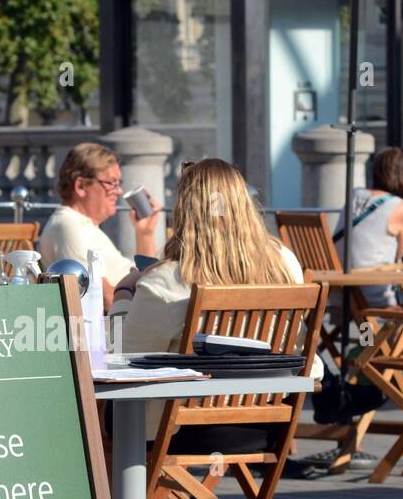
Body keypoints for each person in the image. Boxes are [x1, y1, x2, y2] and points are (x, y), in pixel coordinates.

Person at [118, 158, 325, 448]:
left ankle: (127, 494)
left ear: (184, 210)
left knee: (94, 419)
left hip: (178, 431)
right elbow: (304, 355)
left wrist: (123, 296)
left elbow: (124, 359)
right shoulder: (284, 262)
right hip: (263, 424)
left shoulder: (167, 279)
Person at [39, 142, 162, 310]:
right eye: (111, 183)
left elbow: (147, 277)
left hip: (135, 316)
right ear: (81, 186)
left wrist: (145, 233)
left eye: (118, 183)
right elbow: (103, 299)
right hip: (120, 328)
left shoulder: (83, 226)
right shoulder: (69, 228)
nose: (119, 192)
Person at [335, 146, 403, 308]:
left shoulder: (354, 195)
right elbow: (398, 255)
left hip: (336, 290)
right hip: (374, 292)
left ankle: (368, 334)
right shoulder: (402, 207)